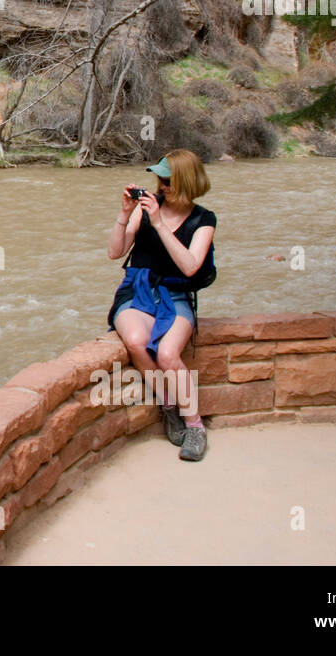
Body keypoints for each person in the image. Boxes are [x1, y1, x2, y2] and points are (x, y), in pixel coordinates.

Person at [105, 149, 216, 461]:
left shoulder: (204, 219)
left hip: (175, 293)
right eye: (159, 179)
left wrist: (159, 223)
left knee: (168, 354)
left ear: (185, 182)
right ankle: (169, 407)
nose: (161, 185)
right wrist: (126, 213)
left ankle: (195, 426)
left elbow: (191, 266)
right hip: (136, 291)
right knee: (138, 342)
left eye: (168, 180)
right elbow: (114, 252)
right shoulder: (145, 209)